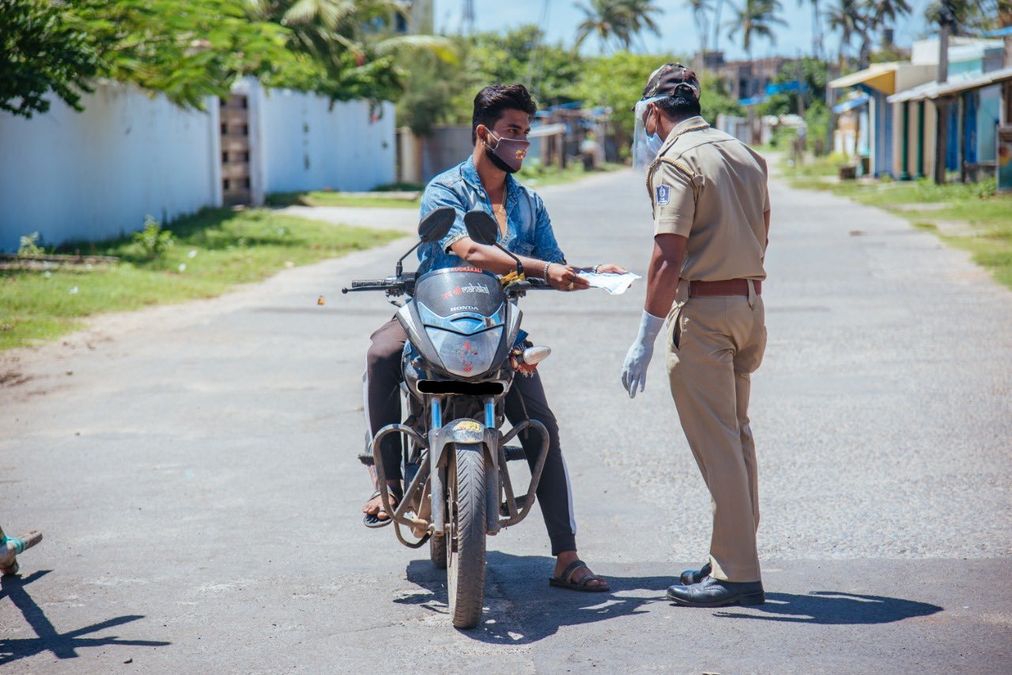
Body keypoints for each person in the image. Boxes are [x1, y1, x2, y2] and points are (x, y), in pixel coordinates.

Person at [361, 83, 625, 591]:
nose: (523, 142)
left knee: (541, 423)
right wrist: (546, 268)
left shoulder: (531, 204)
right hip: (433, 315)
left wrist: (591, 274)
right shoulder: (444, 190)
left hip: (496, 327)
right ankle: (389, 484)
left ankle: (567, 556)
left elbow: (553, 265)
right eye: (513, 132)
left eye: (526, 132)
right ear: (484, 134)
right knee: (379, 353)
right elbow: (469, 251)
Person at [620, 64, 771, 607]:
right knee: (736, 435)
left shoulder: (675, 160)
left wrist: (645, 337)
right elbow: (762, 232)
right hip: (748, 305)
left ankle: (737, 575)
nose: (648, 129)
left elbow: (668, 254)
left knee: (719, 445)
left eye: (647, 120)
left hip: (704, 313)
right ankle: (730, 554)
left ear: (655, 112)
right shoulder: (743, 153)